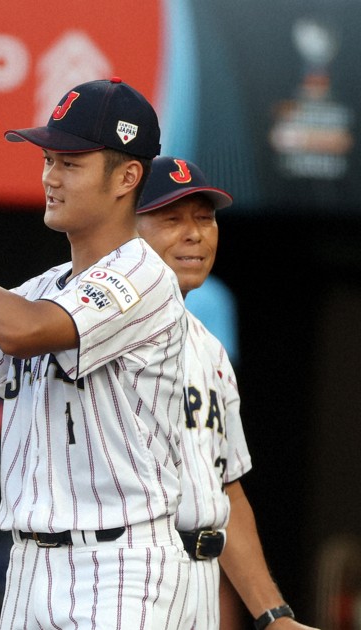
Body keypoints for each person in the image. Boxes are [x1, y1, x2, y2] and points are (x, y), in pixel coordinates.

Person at [0, 77, 194, 628]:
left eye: (70, 163)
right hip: (31, 563)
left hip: (118, 564)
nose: (50, 177)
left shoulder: (143, 273)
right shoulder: (46, 286)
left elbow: (19, 331)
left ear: (127, 176)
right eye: (49, 160)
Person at [135, 156, 316, 630]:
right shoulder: (78, 318)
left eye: (205, 218)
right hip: (114, 572)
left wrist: (273, 615)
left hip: (193, 580)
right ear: (126, 229)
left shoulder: (210, 350)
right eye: (171, 219)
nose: (194, 234)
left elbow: (222, 490)